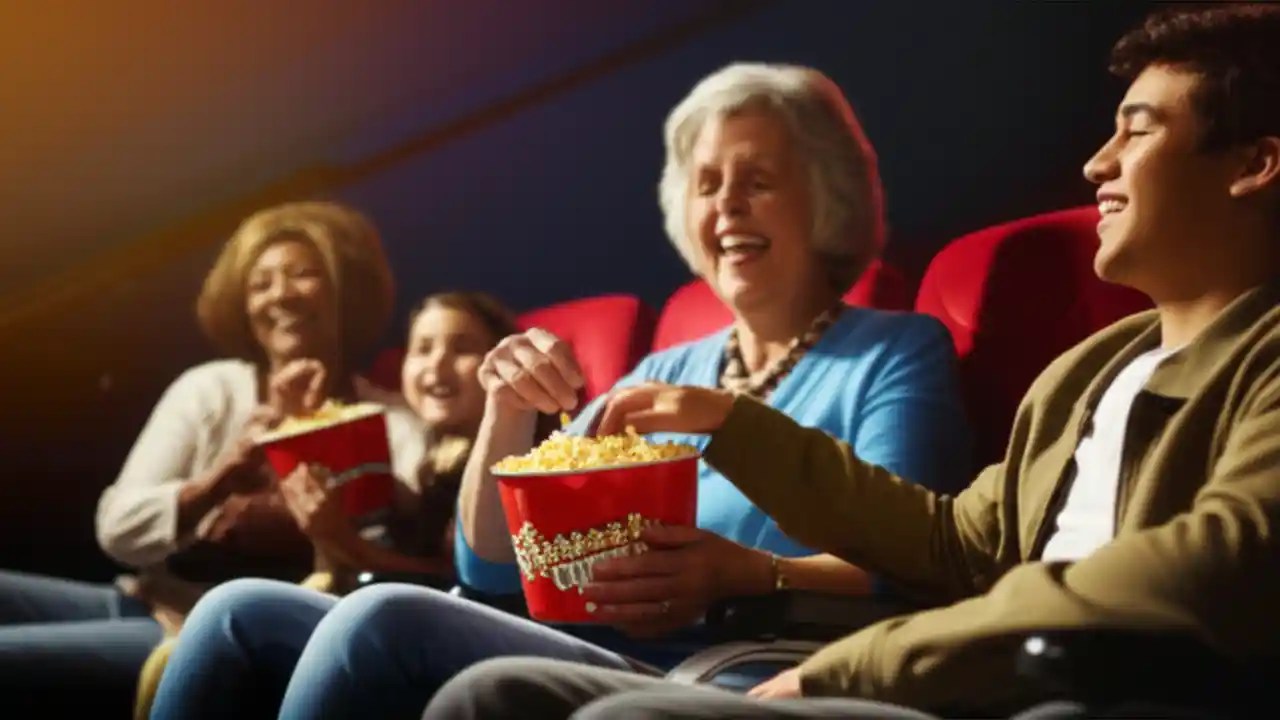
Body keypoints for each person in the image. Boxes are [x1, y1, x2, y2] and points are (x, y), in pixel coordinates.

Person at [422, 5, 1280, 718]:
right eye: (707, 185)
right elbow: (953, 540)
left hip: (1067, 687)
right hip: (967, 678)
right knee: (482, 693)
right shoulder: (1086, 371)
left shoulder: (1255, 353)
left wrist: (849, 654)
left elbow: (1207, 565)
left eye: (1138, 130)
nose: (1096, 164)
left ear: (1256, 163)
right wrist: (728, 422)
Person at [150, 62, 972, 720]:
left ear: (826, 196)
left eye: (757, 180)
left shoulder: (894, 353)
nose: (726, 205)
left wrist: (743, 572)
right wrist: (506, 413)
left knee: (379, 620)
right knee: (234, 611)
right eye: (707, 184)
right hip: (601, 644)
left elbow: (916, 557)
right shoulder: (662, 373)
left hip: (731, 665)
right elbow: (491, 563)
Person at [0, 201, 429, 711]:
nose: (280, 294)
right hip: (142, 598)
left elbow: (402, 547)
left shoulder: (392, 422)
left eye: (303, 274)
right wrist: (222, 476)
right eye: (261, 283)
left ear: (348, 292)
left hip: (202, 634)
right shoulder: (209, 390)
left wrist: (316, 519)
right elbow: (117, 529)